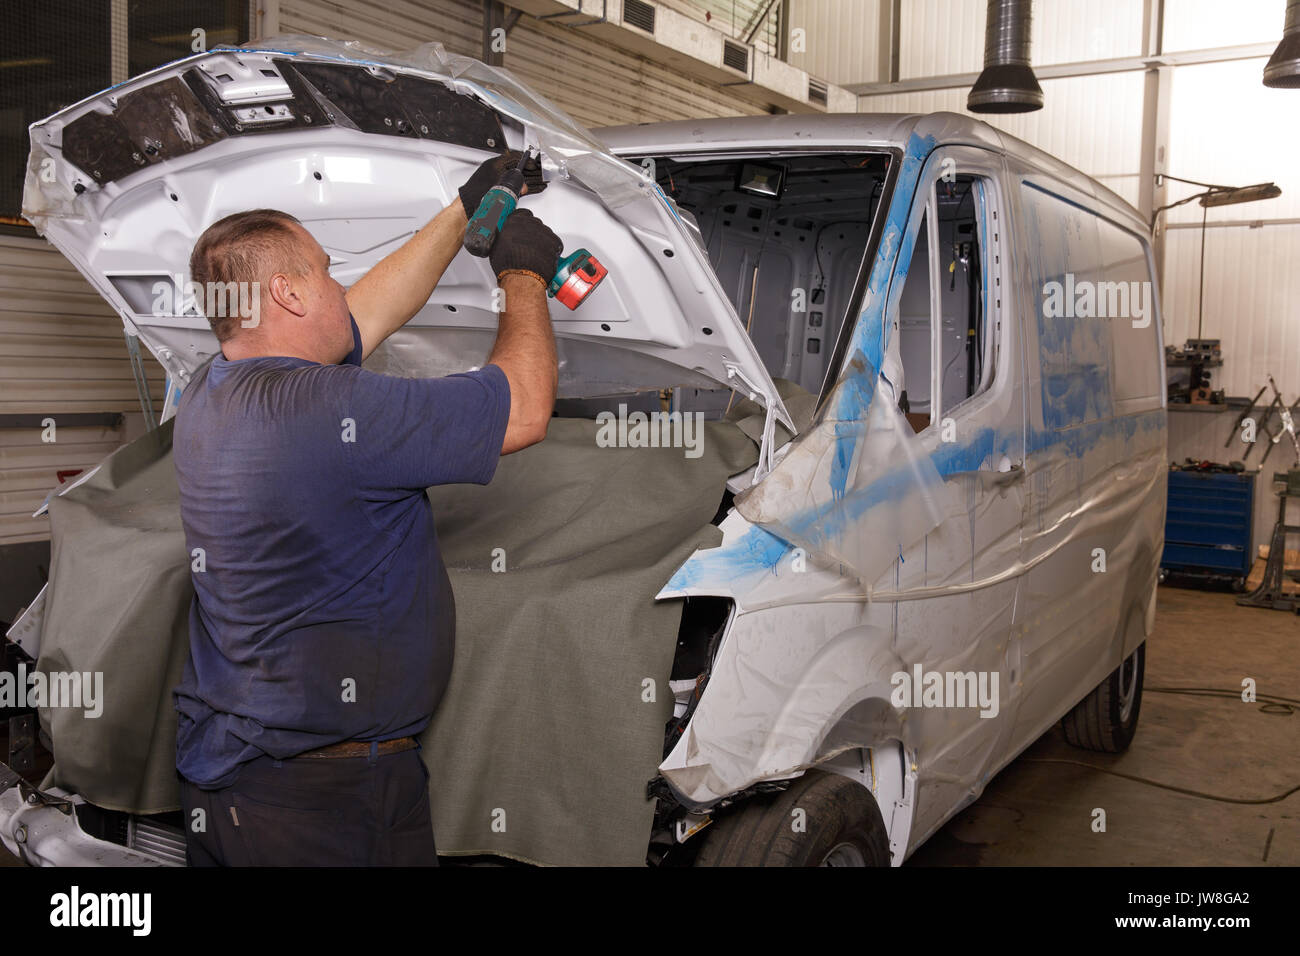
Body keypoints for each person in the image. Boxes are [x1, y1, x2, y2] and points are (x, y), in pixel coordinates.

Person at [171, 152, 562, 865]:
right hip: (326, 803)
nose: (339, 286)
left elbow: (365, 312)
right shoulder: (335, 410)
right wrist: (524, 276)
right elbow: (526, 408)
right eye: (325, 271)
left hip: (232, 778)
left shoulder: (211, 388)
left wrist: (460, 213)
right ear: (288, 294)